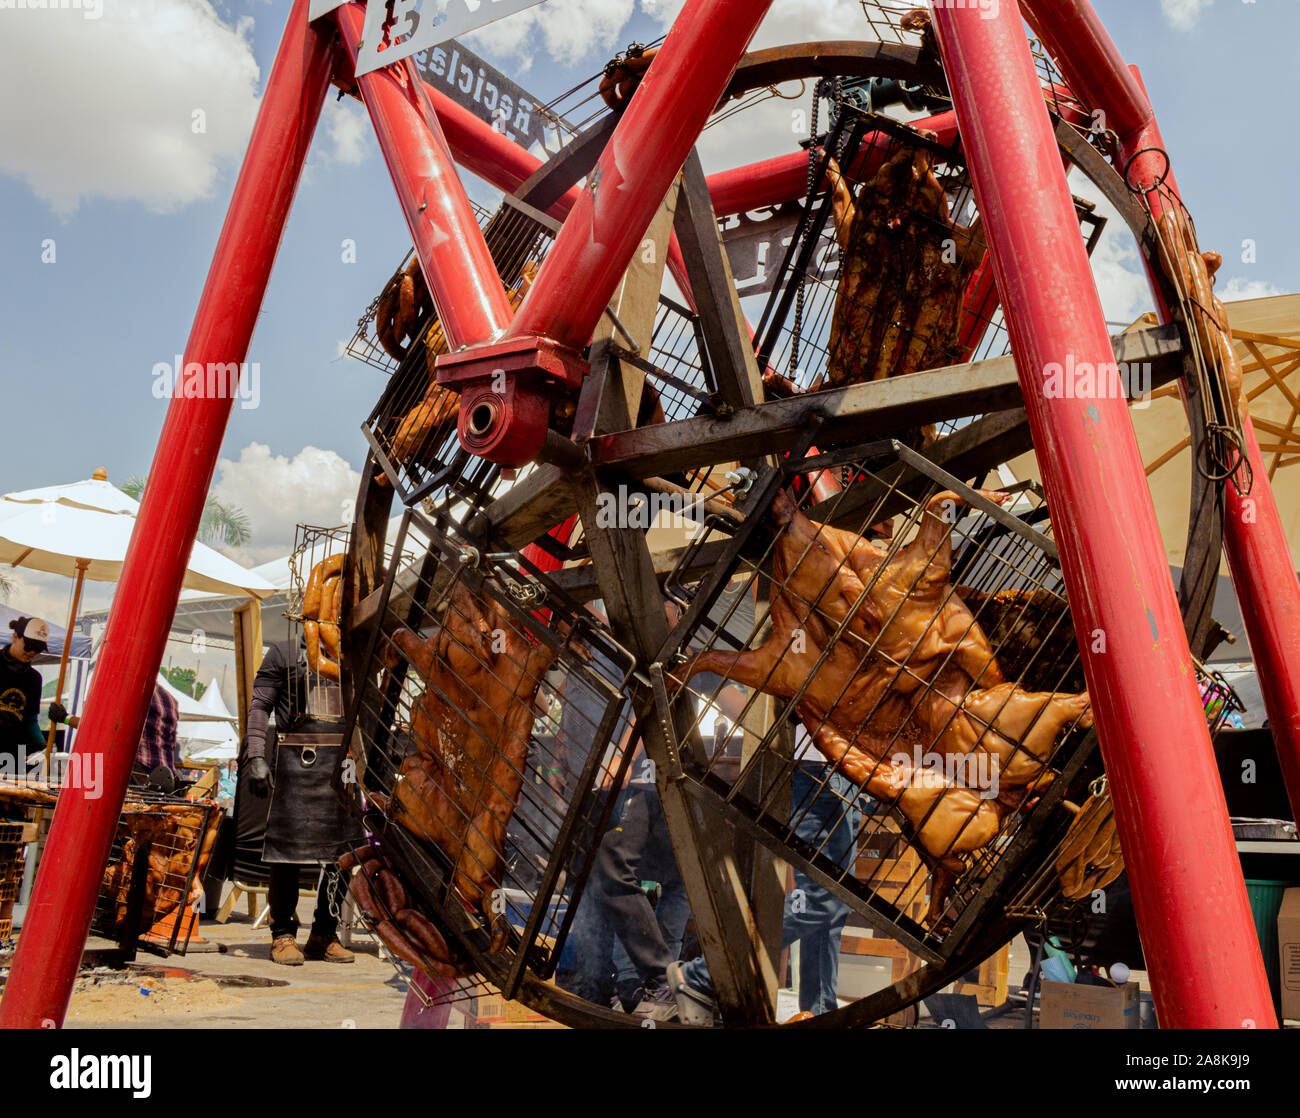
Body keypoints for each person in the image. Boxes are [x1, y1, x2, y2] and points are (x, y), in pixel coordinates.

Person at [668, 719, 863, 1023]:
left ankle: (820, 1015)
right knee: (823, 899)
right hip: (818, 768)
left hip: (847, 771)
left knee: (831, 914)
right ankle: (701, 975)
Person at [243, 637, 354, 966]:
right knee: (287, 853)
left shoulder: (353, 651)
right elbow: (260, 706)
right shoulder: (283, 652)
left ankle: (323, 933)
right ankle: (282, 935)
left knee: (342, 855)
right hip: (296, 758)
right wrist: (255, 756)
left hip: (342, 761)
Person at [51, 681, 182, 790]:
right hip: (167, 777)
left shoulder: (129, 694)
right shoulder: (169, 699)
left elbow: (101, 727)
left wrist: (65, 718)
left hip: (138, 775)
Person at [1, 617, 50, 773]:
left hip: (13, 756)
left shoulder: (34, 679)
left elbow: (31, 720)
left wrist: (43, 748)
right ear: (15, 636)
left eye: (38, 649)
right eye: (29, 646)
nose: (32, 653)